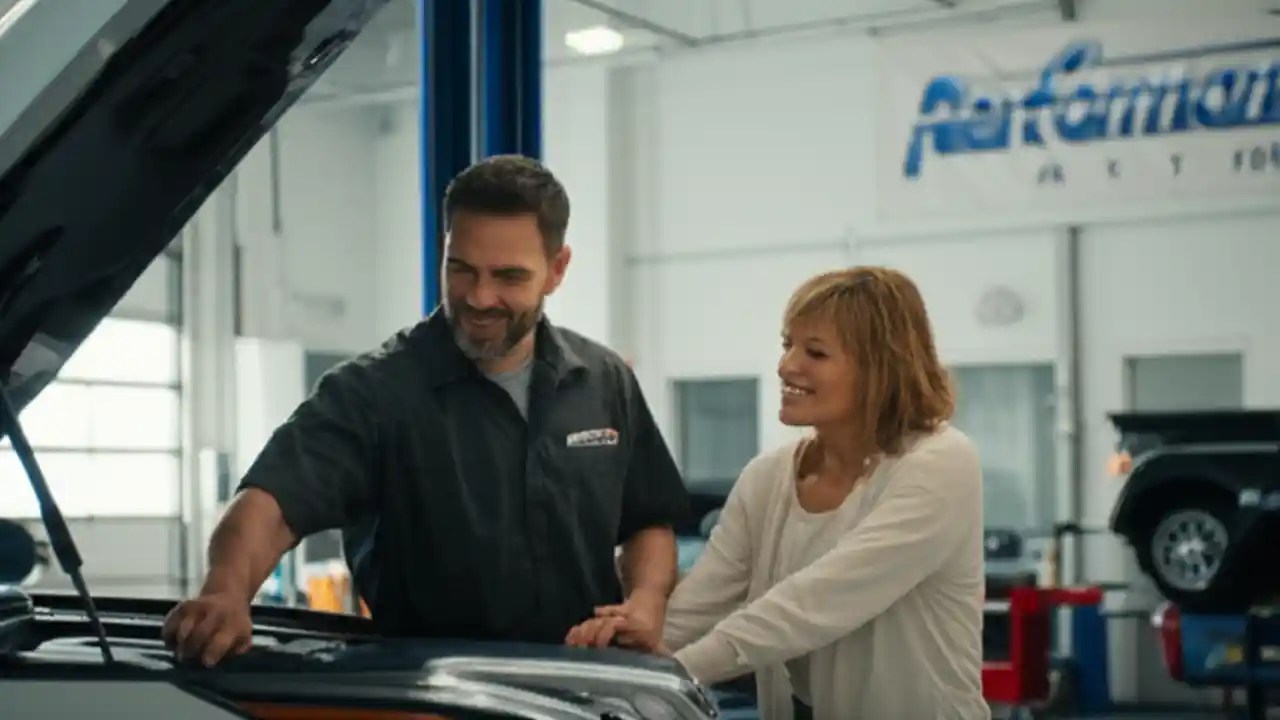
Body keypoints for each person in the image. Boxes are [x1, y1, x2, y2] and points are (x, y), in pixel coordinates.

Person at [163, 154, 689, 667]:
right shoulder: (373, 395)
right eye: (461, 269)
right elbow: (270, 504)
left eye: (508, 276)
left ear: (557, 269)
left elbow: (647, 520)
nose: (479, 297)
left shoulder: (603, 381)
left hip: (583, 691)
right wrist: (226, 590)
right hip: (427, 697)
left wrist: (646, 603)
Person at [567, 266, 989, 720]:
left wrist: (674, 673)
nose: (787, 366)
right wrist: (625, 643)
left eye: (816, 352)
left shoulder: (940, 463)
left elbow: (814, 604)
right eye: (788, 344)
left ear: (881, 369)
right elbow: (698, 606)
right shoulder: (767, 477)